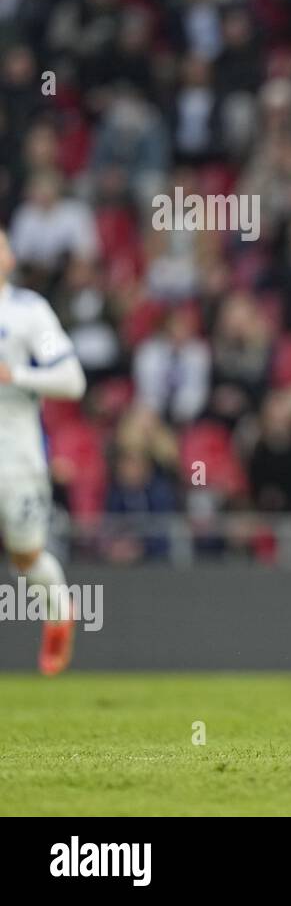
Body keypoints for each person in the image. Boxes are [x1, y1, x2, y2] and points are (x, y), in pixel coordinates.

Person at [0, 230, 88, 673]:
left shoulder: (28, 312)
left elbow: (72, 381)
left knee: (26, 555)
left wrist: (14, 374)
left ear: (10, 256)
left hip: (16, 460)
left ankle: (58, 614)